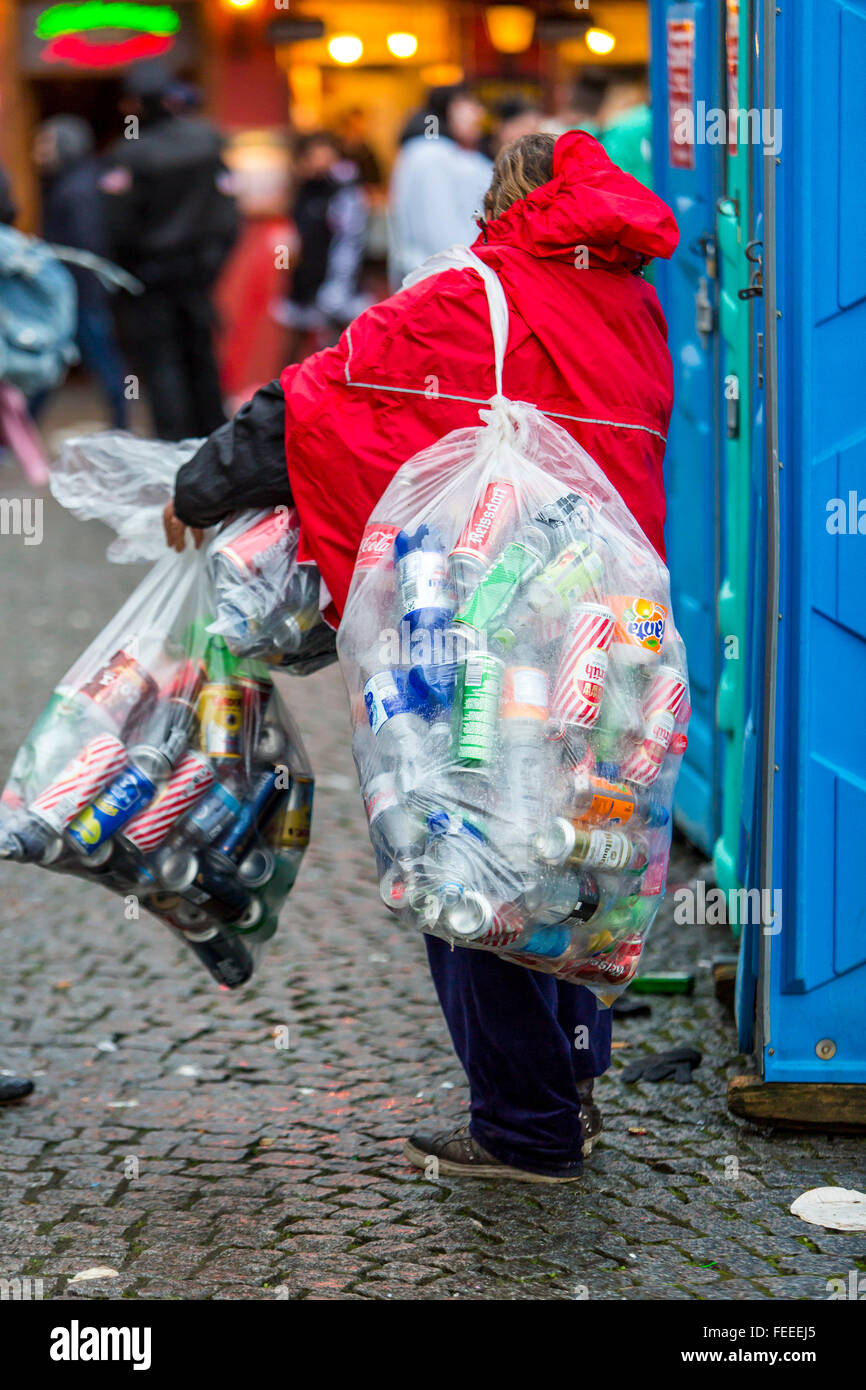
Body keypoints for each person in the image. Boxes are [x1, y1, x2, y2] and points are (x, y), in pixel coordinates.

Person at [162, 131, 678, 1181]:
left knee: (467, 854)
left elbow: (317, 396)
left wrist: (198, 488)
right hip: (615, 621)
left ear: (509, 200)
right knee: (575, 845)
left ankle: (522, 1126)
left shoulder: (478, 292)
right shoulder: (632, 300)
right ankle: (568, 1078)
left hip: (493, 624)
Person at [101, 59, 239, 440]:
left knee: (163, 364)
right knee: (202, 356)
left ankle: (174, 449)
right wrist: (213, 261)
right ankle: (215, 443)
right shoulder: (206, 140)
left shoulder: (130, 154)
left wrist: (129, 275)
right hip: (198, 272)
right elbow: (229, 210)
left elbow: (118, 225)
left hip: (152, 277)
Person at [34, 116, 130, 429]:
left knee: (97, 361)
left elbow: (83, 250)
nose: (39, 152)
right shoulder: (78, 182)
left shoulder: (75, 190)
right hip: (78, 292)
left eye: (46, 144)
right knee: (55, 364)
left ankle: (122, 425)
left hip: (79, 293)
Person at [388, 85, 492, 287]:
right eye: (472, 104)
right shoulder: (431, 154)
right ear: (451, 107)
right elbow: (440, 234)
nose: (480, 114)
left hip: (436, 279)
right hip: (440, 282)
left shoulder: (431, 151)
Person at [279, 131, 369, 361]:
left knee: (336, 353)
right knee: (295, 349)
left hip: (336, 285)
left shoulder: (344, 192)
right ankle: (284, 395)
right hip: (305, 282)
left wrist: (338, 285)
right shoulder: (304, 190)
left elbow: (350, 240)